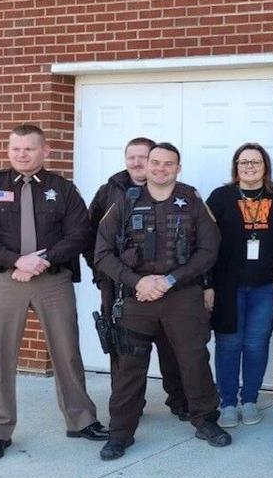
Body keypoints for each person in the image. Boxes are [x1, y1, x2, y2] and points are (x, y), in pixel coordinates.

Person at [0, 124, 108, 462]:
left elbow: (80, 234)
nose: (22, 155)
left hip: (52, 279)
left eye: (29, 148)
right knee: (0, 356)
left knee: (66, 350)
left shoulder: (63, 189)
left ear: (45, 151)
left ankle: (81, 420)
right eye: (16, 149)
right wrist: (16, 261)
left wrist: (41, 261)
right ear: (8, 150)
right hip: (3, 278)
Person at [92, 142, 232, 460]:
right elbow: (102, 253)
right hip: (136, 298)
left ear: (178, 168)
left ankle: (206, 421)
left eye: (168, 164)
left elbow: (209, 250)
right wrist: (137, 281)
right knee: (128, 368)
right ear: (146, 165)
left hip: (182, 297)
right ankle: (120, 434)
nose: (160, 169)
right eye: (155, 162)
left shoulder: (192, 200)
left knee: (194, 362)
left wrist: (170, 280)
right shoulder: (124, 202)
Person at [206, 143, 273, 427]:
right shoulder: (220, 197)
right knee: (228, 344)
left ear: (265, 166)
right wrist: (207, 284)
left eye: (255, 162)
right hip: (227, 285)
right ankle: (228, 402)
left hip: (266, 286)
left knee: (256, 344)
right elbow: (206, 242)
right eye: (244, 162)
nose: (249, 167)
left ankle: (250, 400)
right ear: (236, 167)